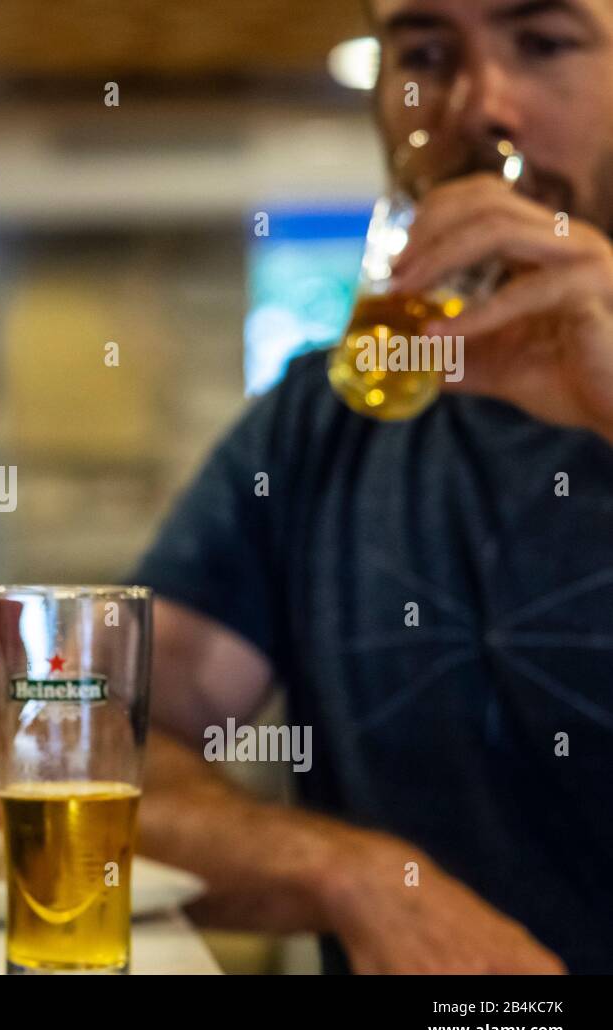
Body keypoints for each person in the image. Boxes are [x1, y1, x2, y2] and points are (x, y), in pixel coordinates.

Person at [134, 0, 613, 974]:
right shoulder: (315, 426)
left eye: (546, 42)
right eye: (426, 53)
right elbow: (100, 746)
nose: (480, 107)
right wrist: (348, 875)